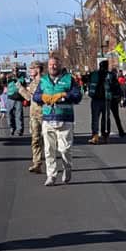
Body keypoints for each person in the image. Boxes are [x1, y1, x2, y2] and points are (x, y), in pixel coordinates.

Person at [34, 56, 81, 185]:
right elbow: (35, 96)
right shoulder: (43, 80)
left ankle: (67, 168)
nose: (53, 67)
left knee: (65, 149)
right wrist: (43, 97)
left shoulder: (68, 80)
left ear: (59, 65)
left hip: (65, 119)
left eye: (55, 64)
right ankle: (51, 175)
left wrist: (65, 95)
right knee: (49, 150)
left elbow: (78, 96)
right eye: (50, 65)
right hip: (48, 118)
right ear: (47, 66)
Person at [86, 59, 123, 144]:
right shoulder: (110, 75)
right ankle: (105, 136)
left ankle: (95, 136)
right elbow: (116, 87)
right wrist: (117, 96)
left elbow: (87, 80)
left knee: (95, 118)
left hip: (96, 99)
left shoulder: (94, 74)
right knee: (105, 119)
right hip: (106, 99)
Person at [24, 61, 46, 173]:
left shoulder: (45, 81)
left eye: (31, 68)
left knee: (47, 141)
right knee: (35, 140)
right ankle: (37, 163)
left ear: (38, 69)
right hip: (34, 115)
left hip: (45, 115)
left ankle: (51, 165)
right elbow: (28, 97)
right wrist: (19, 87)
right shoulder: (32, 83)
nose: (30, 70)